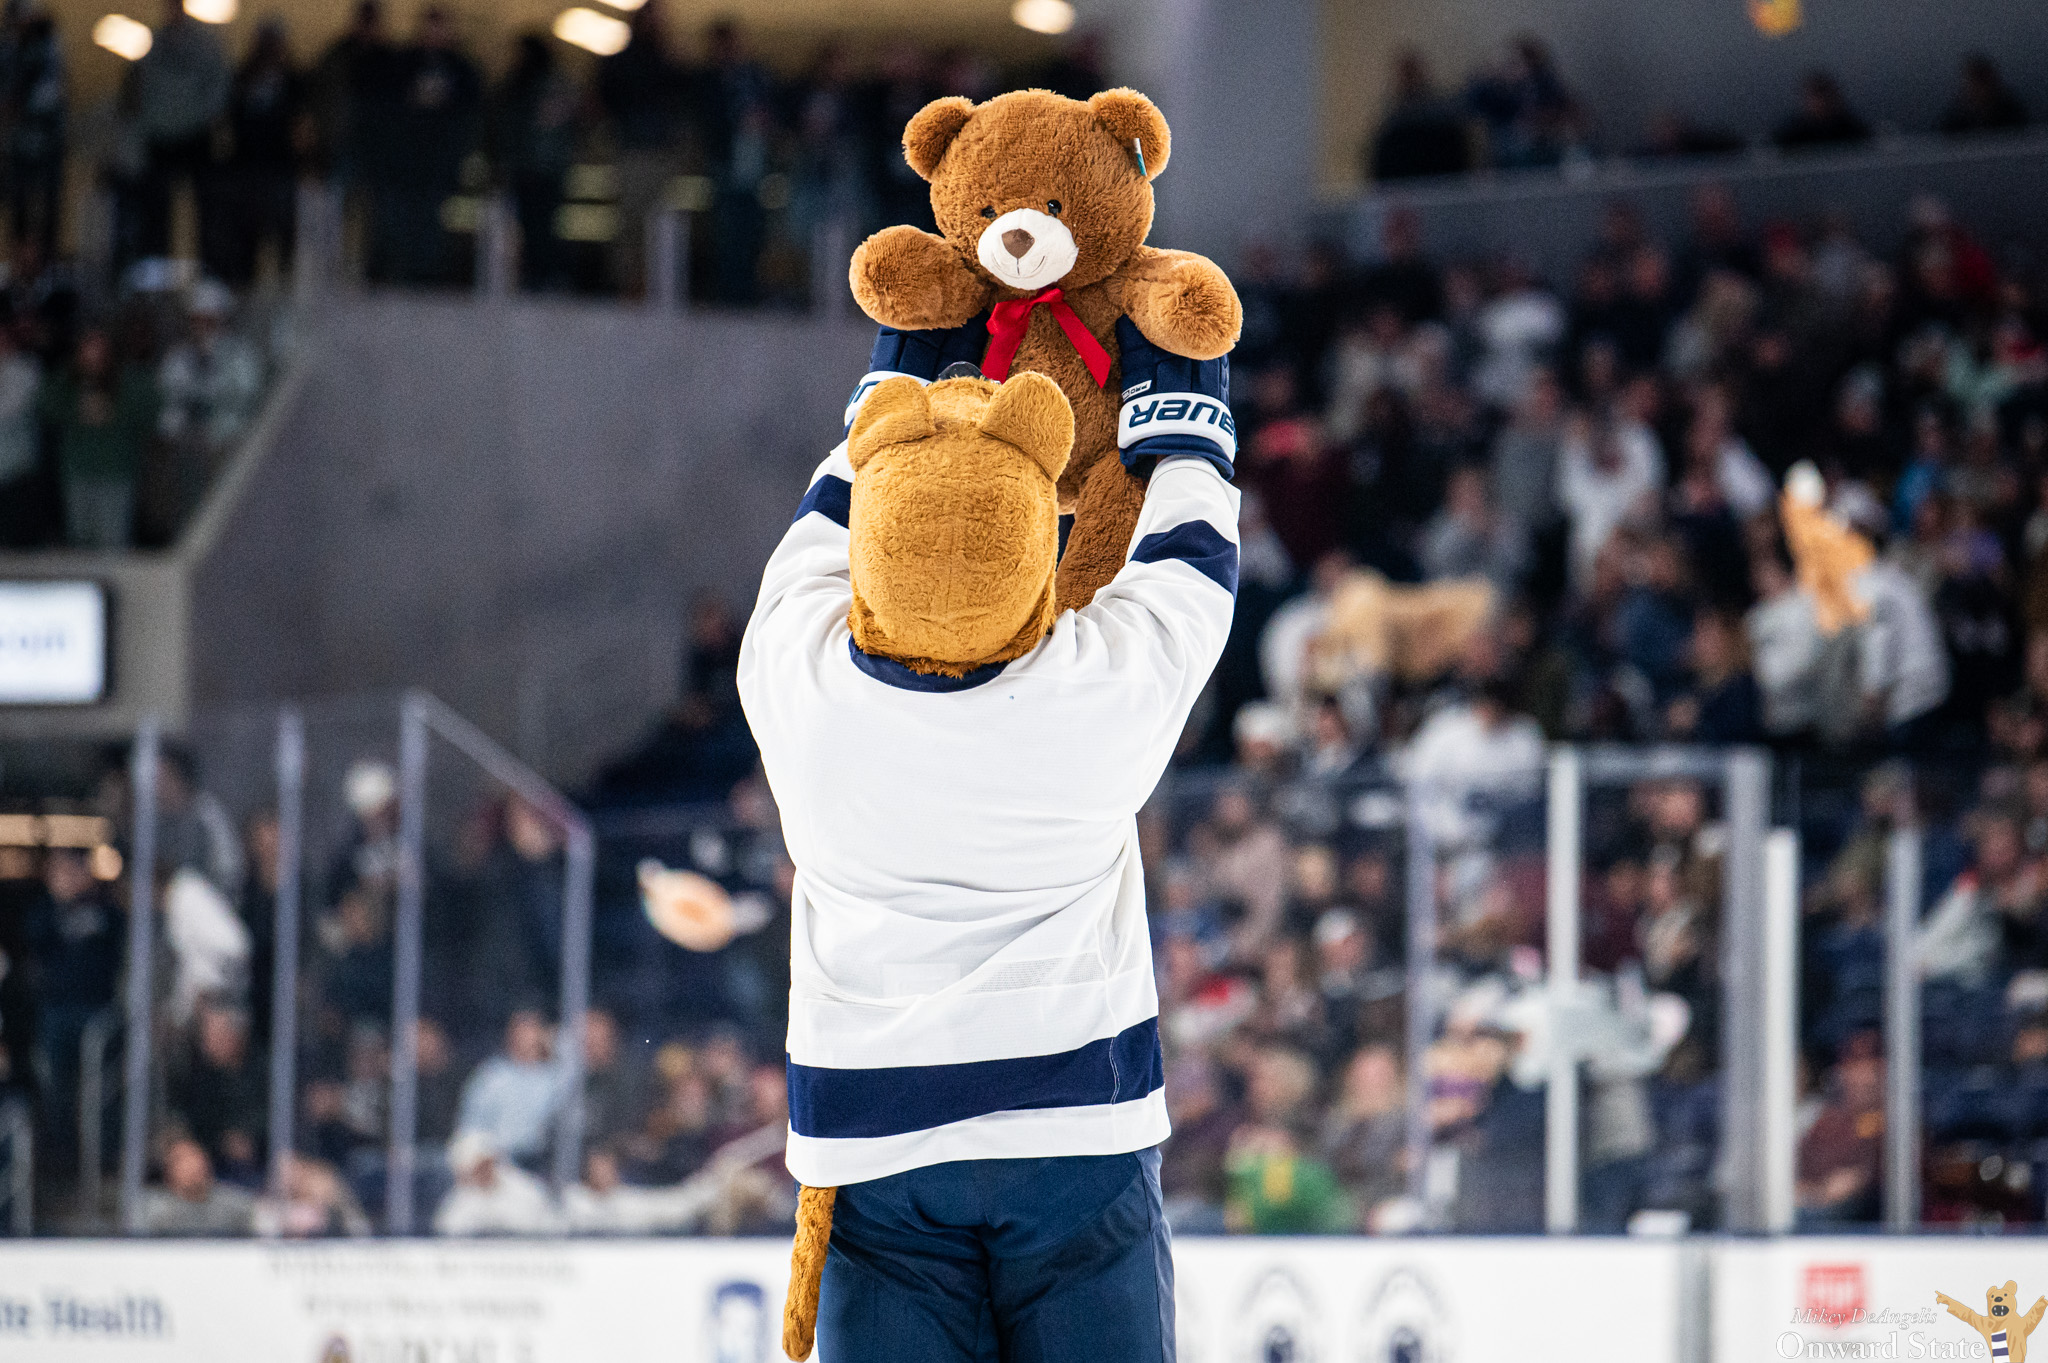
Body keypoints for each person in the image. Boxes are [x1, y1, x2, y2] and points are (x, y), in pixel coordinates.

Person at [739, 320, 1238, 1362]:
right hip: (1075, 1135)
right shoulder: (1088, 696)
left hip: (873, 1143)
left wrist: (901, 371)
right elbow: (1193, 568)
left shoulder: (794, 680)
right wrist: (1182, 413)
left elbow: (824, 523)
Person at [124, 0, 231, 271]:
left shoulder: (205, 43)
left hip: (195, 136)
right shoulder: (154, 43)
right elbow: (138, 88)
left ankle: (209, 269)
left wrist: (207, 117)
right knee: (156, 210)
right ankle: (156, 269)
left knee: (206, 209)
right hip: (160, 136)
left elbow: (219, 83)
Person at [37, 326, 157, 549]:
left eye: (99, 348)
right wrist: (75, 407)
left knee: (112, 539)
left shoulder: (127, 380)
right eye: (87, 348)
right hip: (77, 472)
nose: (93, 356)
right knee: (80, 537)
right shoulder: (67, 381)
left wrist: (113, 410)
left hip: (115, 473)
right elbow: (46, 405)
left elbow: (149, 408)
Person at [452, 1008, 568, 1167]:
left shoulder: (555, 1076)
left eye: (531, 1029)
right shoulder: (492, 1075)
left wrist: (553, 1040)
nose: (525, 1037)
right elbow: (470, 1127)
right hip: (498, 1161)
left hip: (541, 1160)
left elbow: (575, 1061)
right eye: (519, 1030)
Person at [1368, 50, 1471, 182]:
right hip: (1402, 192)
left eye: (1413, 74)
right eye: (1406, 75)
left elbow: (1457, 164)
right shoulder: (1390, 126)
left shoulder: (1444, 121)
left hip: (1441, 189)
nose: (1410, 80)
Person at [139, 1136, 255, 1235]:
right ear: (168, 1171)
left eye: (197, 1160)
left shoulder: (236, 1206)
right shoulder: (155, 1212)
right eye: (184, 1162)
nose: (194, 1167)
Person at [1773, 71, 1872, 150]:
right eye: (1817, 96)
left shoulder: (1853, 130)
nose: (1822, 102)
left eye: (1827, 95)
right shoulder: (1792, 135)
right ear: (1806, 100)